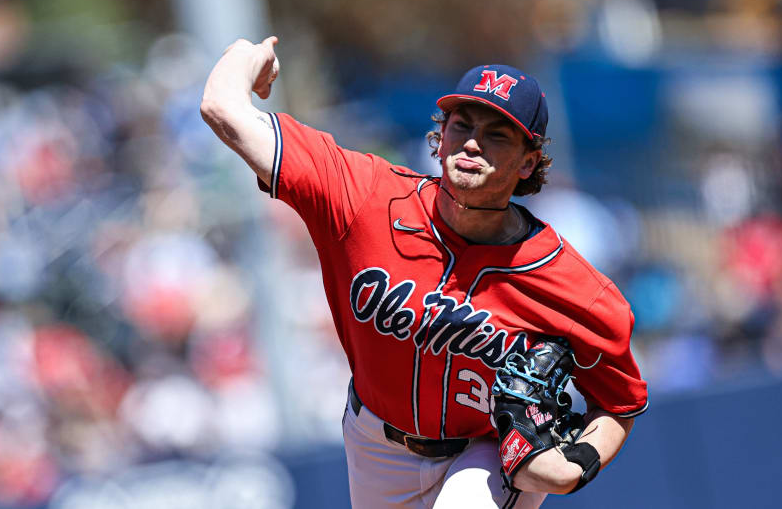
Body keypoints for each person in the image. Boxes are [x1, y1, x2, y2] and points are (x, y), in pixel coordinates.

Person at [200, 37, 647, 508]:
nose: (472, 142)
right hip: (374, 444)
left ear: (528, 162)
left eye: (497, 134)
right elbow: (220, 107)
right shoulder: (362, 198)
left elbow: (619, 403)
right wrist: (249, 57)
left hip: (487, 454)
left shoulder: (572, 286)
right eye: (461, 125)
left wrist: (578, 462)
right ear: (440, 136)